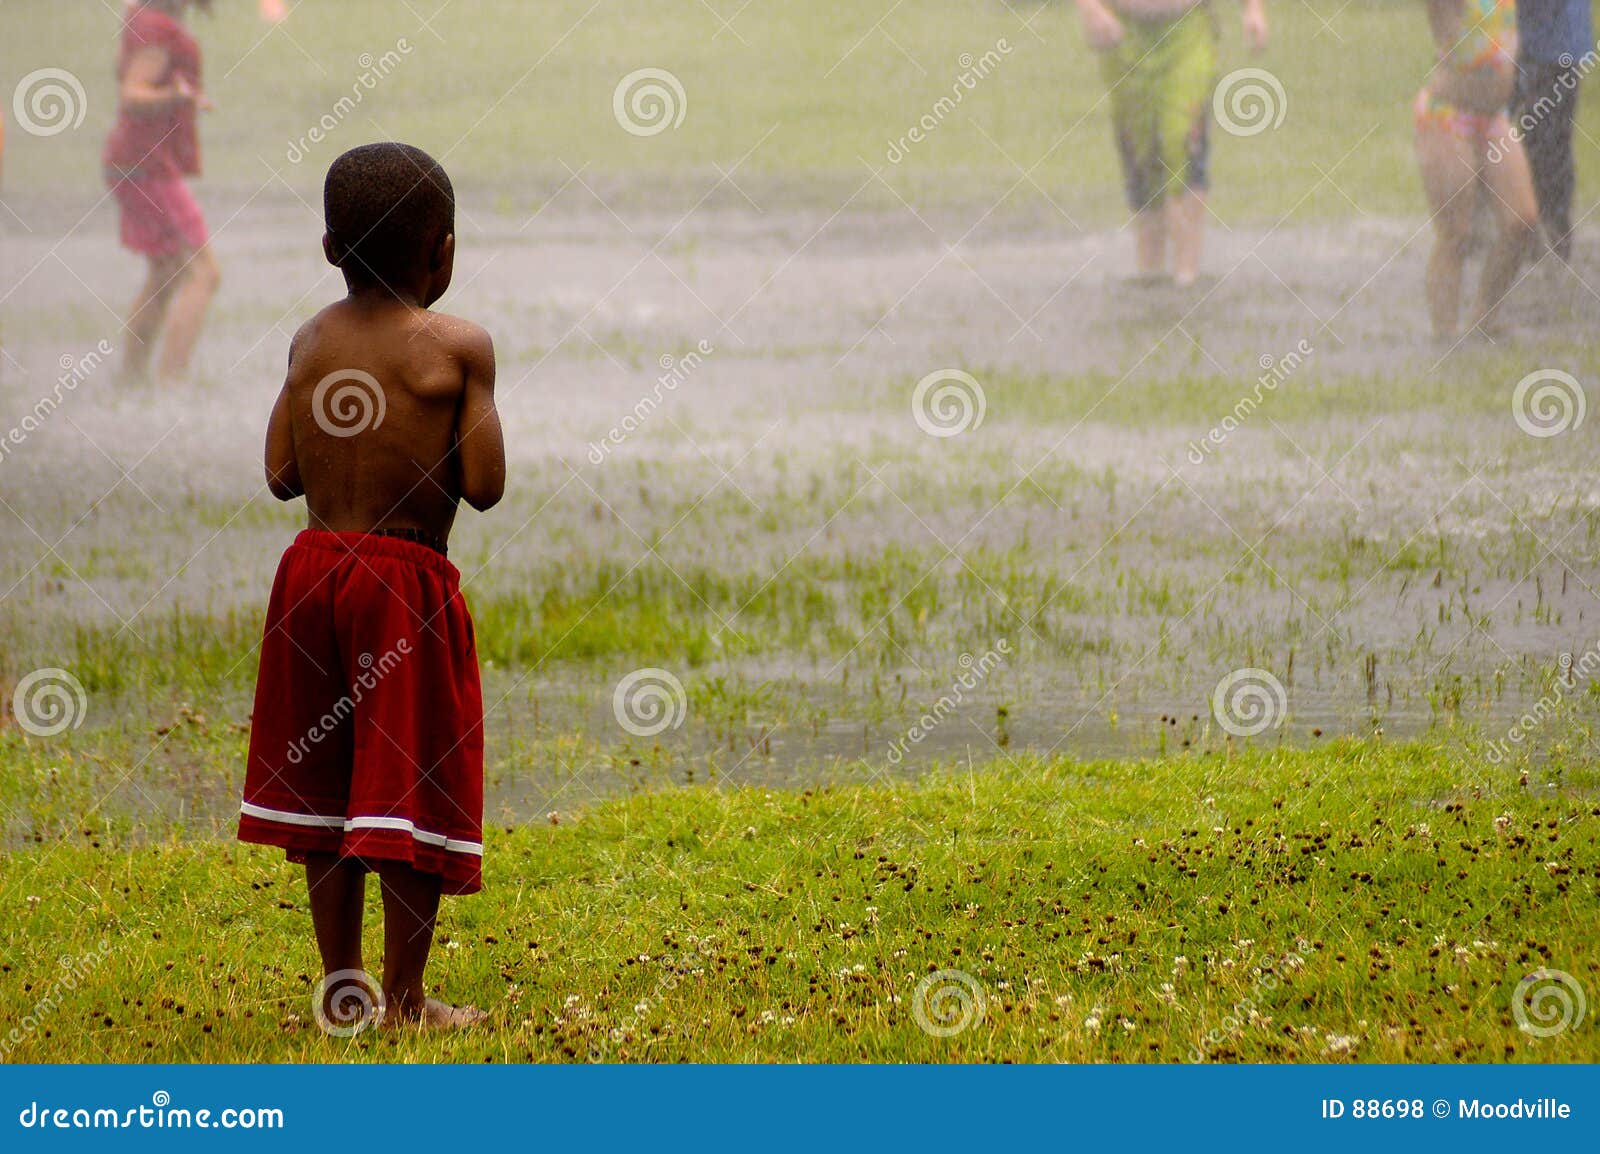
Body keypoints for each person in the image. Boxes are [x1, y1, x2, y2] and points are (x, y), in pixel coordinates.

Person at [237, 143, 506, 1030]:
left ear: (328, 248)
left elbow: (279, 472)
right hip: (404, 582)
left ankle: (342, 991)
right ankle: (405, 999)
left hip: (312, 574)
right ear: (445, 252)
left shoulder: (309, 339)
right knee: (408, 775)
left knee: (325, 781)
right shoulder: (460, 347)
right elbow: (486, 482)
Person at [1076, 0, 1268, 286]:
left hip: (1187, 29)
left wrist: (1253, 9)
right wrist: (1089, 7)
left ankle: (1186, 278)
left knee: (1181, 137)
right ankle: (1150, 278)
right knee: (1141, 151)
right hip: (1122, 30)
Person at [103, 0, 220, 385]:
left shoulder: (147, 16)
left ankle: (130, 378)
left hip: (134, 163)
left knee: (166, 272)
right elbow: (133, 94)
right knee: (202, 273)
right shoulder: (158, 28)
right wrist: (178, 95)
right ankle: (173, 383)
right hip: (146, 166)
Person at [1416, 0, 1539, 341]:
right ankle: (1445, 336)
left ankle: (1483, 320)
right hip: (1448, 114)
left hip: (1493, 117)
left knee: (1522, 221)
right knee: (1455, 230)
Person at [1515, 0, 1591, 260]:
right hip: (1517, 37)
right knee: (1498, 130)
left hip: (1553, 44)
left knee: (1548, 140)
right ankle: (1500, 226)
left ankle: (1551, 232)